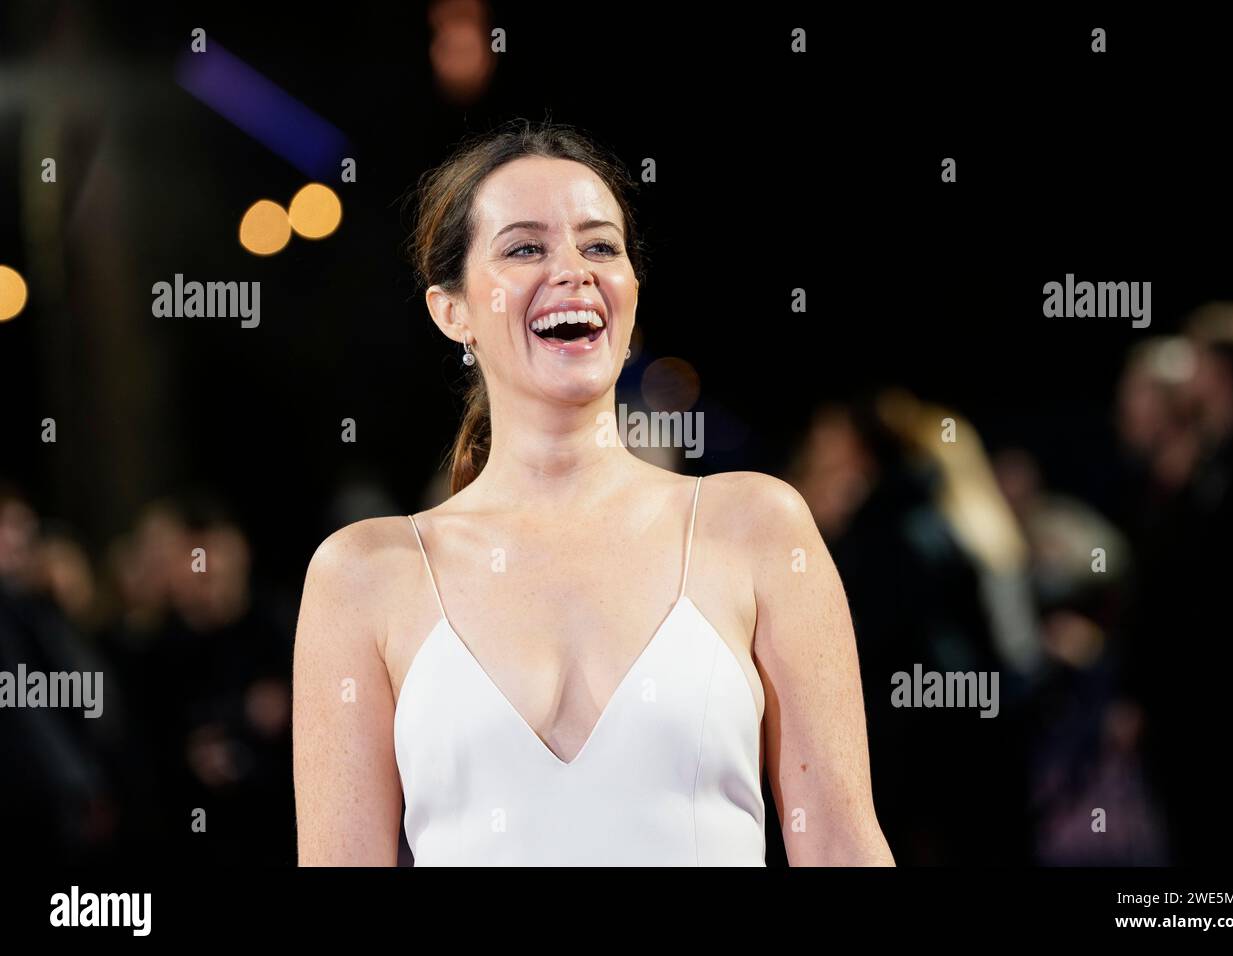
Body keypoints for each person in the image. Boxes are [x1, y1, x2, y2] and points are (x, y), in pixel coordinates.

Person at [291, 120, 894, 866]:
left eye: (600, 245)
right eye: (524, 247)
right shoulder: (362, 574)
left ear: (632, 294)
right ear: (452, 311)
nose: (573, 269)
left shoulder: (757, 528)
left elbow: (839, 845)